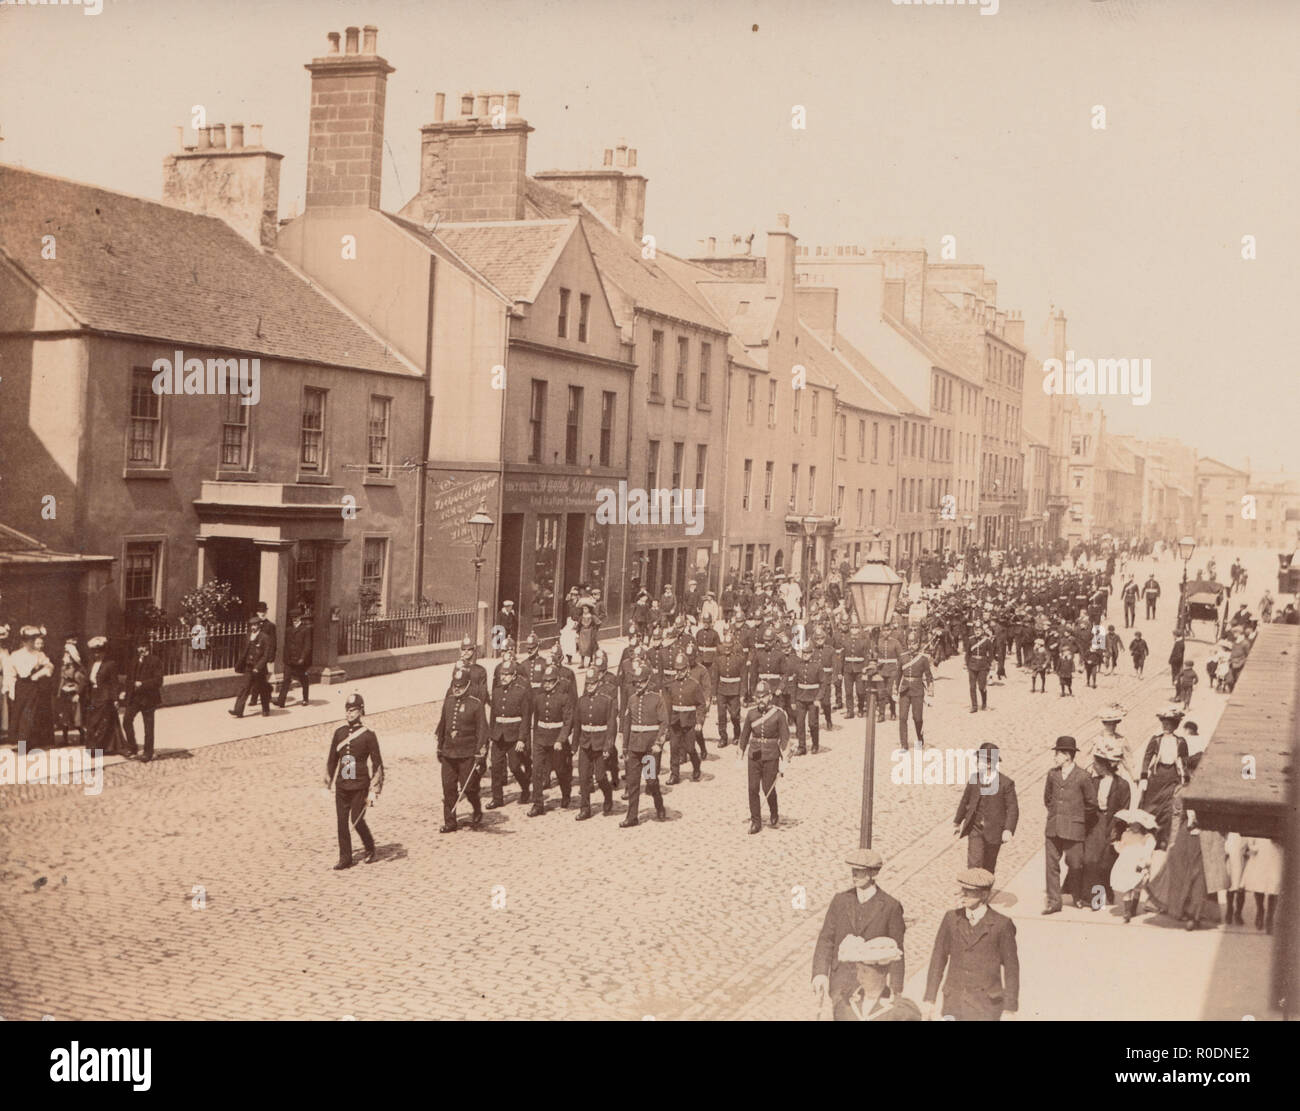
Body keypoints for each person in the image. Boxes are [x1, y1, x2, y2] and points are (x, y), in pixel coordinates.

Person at [811, 848, 906, 1012]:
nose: (854, 875)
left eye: (860, 872)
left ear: (873, 874)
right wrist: (820, 973)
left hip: (872, 985)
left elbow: (896, 951)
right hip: (840, 983)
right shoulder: (840, 901)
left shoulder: (890, 907)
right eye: (853, 871)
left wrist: (895, 991)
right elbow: (826, 939)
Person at [922, 868, 1019, 1021]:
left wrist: (1010, 1009)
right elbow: (937, 960)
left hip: (987, 1006)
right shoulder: (951, 919)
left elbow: (1012, 969)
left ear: (984, 895)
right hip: (954, 1003)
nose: (963, 894)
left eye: (969, 891)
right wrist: (929, 999)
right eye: (962, 889)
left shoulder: (1002, 924)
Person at [324, 693, 383, 869]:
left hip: (359, 785)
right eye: (347, 710)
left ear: (361, 711)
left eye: (353, 710)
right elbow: (332, 759)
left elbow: (377, 763)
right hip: (342, 784)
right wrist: (327, 783)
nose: (349, 714)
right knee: (341, 822)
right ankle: (345, 857)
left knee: (356, 819)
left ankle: (370, 846)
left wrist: (374, 790)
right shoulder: (339, 733)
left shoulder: (368, 736)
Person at [1043, 736, 1098, 914]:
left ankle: (1077, 895)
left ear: (1067, 755)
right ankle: (1054, 902)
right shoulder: (1052, 774)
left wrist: (1078, 819)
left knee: (1075, 864)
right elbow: (1048, 798)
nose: (1055, 757)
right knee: (1051, 865)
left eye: (1058, 754)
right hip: (1053, 827)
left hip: (1074, 828)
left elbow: (1091, 804)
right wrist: (1054, 814)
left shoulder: (1083, 776)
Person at [952, 742, 1018, 874]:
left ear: (989, 764)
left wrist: (1008, 830)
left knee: (988, 866)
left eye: (980, 760)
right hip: (975, 828)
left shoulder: (1005, 783)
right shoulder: (974, 778)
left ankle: (984, 892)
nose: (977, 763)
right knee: (974, 864)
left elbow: (1012, 808)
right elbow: (965, 801)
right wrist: (957, 822)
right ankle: (972, 892)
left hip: (994, 831)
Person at [435, 666, 488, 832]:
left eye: (460, 686)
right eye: (454, 685)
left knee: (469, 786)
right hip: (449, 752)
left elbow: (482, 730)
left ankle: (477, 808)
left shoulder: (476, 705)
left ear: (467, 685)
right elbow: (443, 725)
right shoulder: (449, 701)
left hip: (467, 753)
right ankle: (450, 822)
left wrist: (480, 752)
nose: (456, 689)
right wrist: (439, 747)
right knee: (448, 787)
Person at [736, 680, 790, 833]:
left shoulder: (779, 714)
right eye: (758, 697)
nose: (760, 700)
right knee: (753, 788)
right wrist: (739, 756)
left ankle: (774, 811)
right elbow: (744, 736)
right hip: (754, 755)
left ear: (770, 697)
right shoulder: (751, 714)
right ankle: (756, 822)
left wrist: (785, 759)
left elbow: (785, 738)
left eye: (763, 697)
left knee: (768, 788)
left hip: (771, 755)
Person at [1082, 740, 1130, 908]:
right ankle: (1093, 899)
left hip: (1111, 826)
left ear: (1106, 765)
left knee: (1104, 863)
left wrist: (1116, 831)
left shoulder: (1122, 785)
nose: (1094, 765)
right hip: (1094, 823)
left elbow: (1124, 811)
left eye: (1097, 762)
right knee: (1090, 860)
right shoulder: (1093, 781)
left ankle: (1103, 894)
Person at [620, 661, 668, 826]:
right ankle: (632, 816)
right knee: (632, 782)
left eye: (641, 681)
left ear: (648, 680)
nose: (638, 685)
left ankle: (659, 805)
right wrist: (625, 747)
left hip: (649, 749)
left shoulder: (657, 699)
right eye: (635, 682)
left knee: (651, 780)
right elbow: (627, 724)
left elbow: (664, 723)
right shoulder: (632, 699)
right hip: (634, 748)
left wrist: (658, 743)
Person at [830, 936, 920, 1022]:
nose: (859, 976)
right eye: (858, 970)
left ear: (882, 973)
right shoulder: (845, 1006)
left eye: (865, 971)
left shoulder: (901, 1011)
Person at [1137, 706, 1189, 849]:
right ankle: (1147, 836)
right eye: (1164, 723)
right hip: (1157, 776)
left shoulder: (1181, 742)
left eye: (1169, 723)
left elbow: (1184, 762)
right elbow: (1147, 758)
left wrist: (1186, 782)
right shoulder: (1156, 740)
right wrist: (1143, 777)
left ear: (1175, 725)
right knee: (1150, 807)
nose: (1166, 726)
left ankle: (1162, 840)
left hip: (1172, 776)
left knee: (1167, 810)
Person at [527, 665, 575, 815]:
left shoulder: (564, 698)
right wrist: (535, 740)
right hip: (541, 739)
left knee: (560, 770)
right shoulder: (538, 698)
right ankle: (538, 803)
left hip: (557, 740)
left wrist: (561, 740)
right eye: (545, 682)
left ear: (556, 682)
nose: (546, 684)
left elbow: (568, 722)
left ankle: (566, 793)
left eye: (550, 681)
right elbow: (535, 721)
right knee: (537, 771)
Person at [486, 660, 532, 809]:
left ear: (514, 676)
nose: (504, 677)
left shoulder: (521, 691)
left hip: (514, 735)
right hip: (498, 735)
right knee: (496, 766)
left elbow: (526, 717)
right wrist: (490, 735)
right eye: (502, 674)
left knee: (514, 767)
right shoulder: (497, 691)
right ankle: (497, 798)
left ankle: (525, 786)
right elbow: (493, 716)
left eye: (507, 674)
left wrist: (521, 739)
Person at [573, 665, 617, 820]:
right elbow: (577, 724)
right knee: (583, 777)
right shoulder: (581, 701)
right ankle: (585, 808)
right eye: (587, 684)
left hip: (600, 743)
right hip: (585, 744)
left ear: (598, 683)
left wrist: (608, 747)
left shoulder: (607, 701)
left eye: (592, 683)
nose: (589, 687)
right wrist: (574, 746)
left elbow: (612, 726)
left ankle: (608, 795)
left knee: (600, 777)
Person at [7, 626, 55, 748]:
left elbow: (50, 666)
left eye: (33, 639)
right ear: (23, 641)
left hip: (33, 687)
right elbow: (10, 673)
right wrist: (11, 690)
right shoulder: (15, 655)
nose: (31, 642)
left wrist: (39, 674)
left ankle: (26, 745)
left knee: (29, 715)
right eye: (28, 639)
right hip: (20, 687)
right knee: (18, 714)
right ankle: (21, 743)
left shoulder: (39, 654)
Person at [1110, 809, 1158, 922]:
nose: (1133, 826)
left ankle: (1133, 907)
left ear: (1142, 825)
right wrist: (1117, 845)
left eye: (1137, 825)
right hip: (1126, 863)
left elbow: (1148, 852)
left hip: (1138, 864)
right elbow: (1123, 848)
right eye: (1132, 824)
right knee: (1127, 886)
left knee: (1136, 887)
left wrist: (1143, 864)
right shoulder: (1126, 834)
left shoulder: (1147, 838)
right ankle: (1127, 912)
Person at [122, 641, 164, 762]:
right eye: (138, 647)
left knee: (148, 727)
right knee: (126, 721)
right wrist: (126, 691)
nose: (140, 649)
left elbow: (158, 681)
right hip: (134, 698)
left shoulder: (155, 661)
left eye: (143, 647)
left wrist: (143, 684)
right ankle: (132, 746)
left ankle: (148, 752)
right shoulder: (134, 661)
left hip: (149, 699)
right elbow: (129, 678)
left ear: (147, 647)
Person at [85, 636, 127, 755]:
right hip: (93, 696)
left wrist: (115, 699)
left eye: (100, 652)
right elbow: (87, 680)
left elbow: (114, 683)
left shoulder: (110, 664)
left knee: (101, 722)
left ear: (104, 652)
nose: (97, 654)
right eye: (95, 652)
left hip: (105, 697)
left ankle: (97, 748)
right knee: (93, 722)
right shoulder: (92, 664)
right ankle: (104, 746)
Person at [896, 633, 934, 750]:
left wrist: (930, 690)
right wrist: (894, 689)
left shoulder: (923, 659)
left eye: (914, 643)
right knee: (902, 717)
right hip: (904, 690)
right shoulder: (903, 657)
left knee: (917, 718)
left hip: (917, 690)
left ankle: (919, 741)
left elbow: (928, 675)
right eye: (909, 643)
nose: (911, 645)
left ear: (918, 644)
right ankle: (904, 744)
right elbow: (898, 675)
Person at [230, 616, 273, 718]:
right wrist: (240, 664)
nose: (253, 627)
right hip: (249, 667)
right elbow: (244, 651)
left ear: (259, 625)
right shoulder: (248, 636)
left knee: (262, 689)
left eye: (255, 625)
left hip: (259, 669)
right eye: (252, 625)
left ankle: (266, 709)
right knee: (244, 688)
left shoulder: (265, 637)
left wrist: (258, 667)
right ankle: (238, 710)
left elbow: (266, 655)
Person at [275, 605, 313, 707]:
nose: (294, 620)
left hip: (300, 660)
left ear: (300, 617)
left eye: (296, 617)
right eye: (293, 618)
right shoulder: (288, 630)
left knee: (303, 679)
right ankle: (281, 701)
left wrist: (302, 658)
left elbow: (307, 646)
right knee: (286, 680)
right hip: (289, 660)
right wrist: (285, 658)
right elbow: (286, 645)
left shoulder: (305, 629)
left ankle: (305, 699)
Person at [1242, 837, 1281, 933]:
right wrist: (1253, 847)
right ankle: (1260, 910)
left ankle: (1270, 918)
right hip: (1260, 853)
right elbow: (1251, 836)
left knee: (1275, 886)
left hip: (1277, 852)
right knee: (1259, 884)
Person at [54, 637, 88, 747]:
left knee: (76, 717)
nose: (65, 656)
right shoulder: (64, 667)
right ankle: (64, 738)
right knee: (64, 716)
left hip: (74, 694)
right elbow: (62, 680)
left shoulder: (78, 670)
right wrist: (59, 693)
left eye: (67, 654)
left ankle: (83, 735)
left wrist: (78, 693)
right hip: (65, 693)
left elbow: (82, 683)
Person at [964, 624, 992, 713]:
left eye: (979, 630)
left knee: (981, 687)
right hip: (972, 665)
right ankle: (974, 706)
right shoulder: (971, 640)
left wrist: (988, 664)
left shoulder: (987, 641)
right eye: (976, 630)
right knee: (972, 687)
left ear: (982, 631)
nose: (977, 632)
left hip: (983, 666)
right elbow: (967, 653)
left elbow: (991, 654)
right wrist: (967, 664)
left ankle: (984, 704)